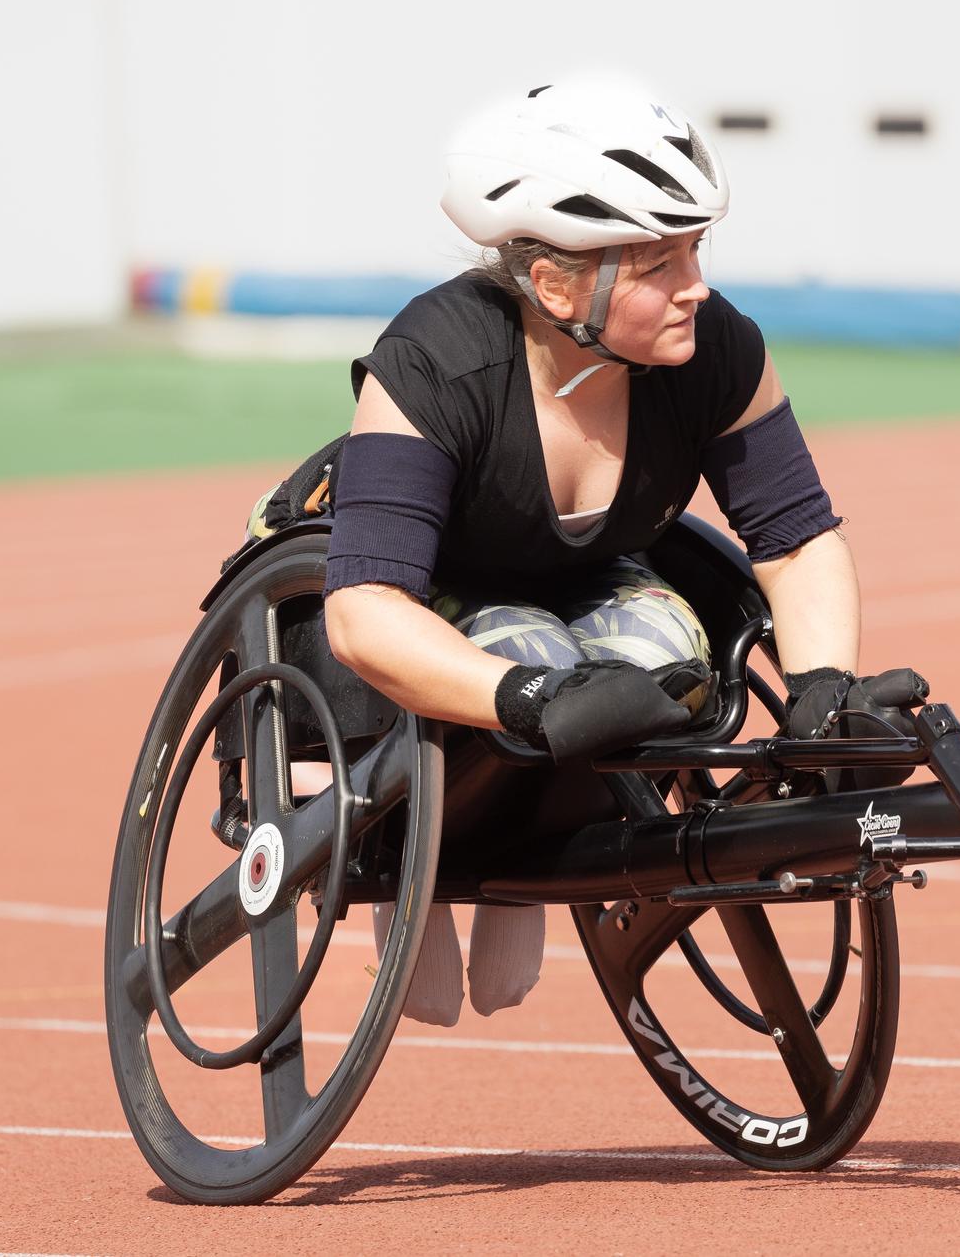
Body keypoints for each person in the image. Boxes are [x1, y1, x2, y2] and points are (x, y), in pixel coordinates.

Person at [314, 81, 913, 1025]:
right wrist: (528, 698)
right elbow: (362, 612)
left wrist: (824, 687)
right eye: (658, 264)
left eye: (696, 251)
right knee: (529, 646)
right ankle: (418, 866)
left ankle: (546, 848)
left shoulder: (716, 350)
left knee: (668, 659)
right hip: (437, 598)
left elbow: (795, 540)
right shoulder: (436, 361)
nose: (697, 287)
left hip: (595, 586)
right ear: (556, 285)